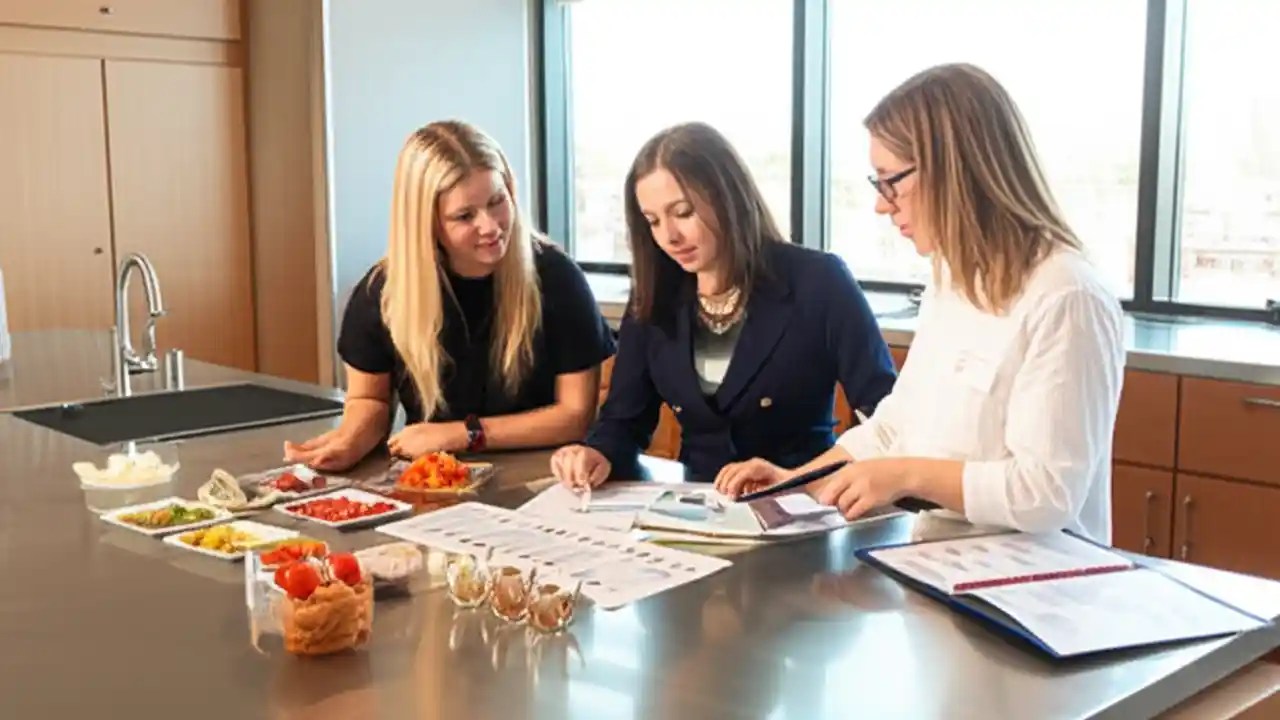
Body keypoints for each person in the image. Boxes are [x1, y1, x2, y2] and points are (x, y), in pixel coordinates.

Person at [716, 64, 1126, 544]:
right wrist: (796, 482)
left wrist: (903, 475)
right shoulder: (953, 280)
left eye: (892, 181)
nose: (882, 204)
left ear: (956, 169)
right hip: (942, 566)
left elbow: (1047, 491)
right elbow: (893, 429)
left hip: (1035, 589)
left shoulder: (1066, 295)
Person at [551, 122, 897, 488]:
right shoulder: (654, 295)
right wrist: (596, 455)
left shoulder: (819, 280)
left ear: (727, 197)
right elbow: (623, 422)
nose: (669, 237)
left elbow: (885, 416)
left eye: (683, 213)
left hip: (802, 503)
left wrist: (811, 481)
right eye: (653, 221)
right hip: (697, 510)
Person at [285, 120, 615, 471]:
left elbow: (575, 415)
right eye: (464, 216)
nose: (490, 226)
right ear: (426, 223)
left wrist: (464, 434)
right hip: (436, 481)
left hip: (547, 476)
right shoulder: (381, 292)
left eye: (497, 201)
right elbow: (369, 398)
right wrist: (351, 440)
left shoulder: (556, 276)